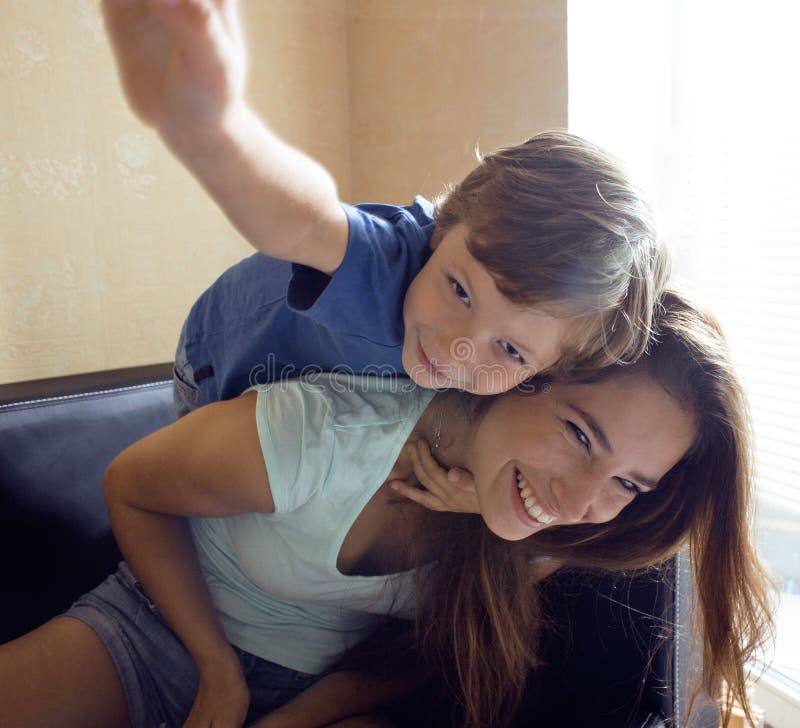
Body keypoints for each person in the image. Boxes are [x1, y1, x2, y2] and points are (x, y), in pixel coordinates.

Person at [0, 291, 773, 728]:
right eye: (578, 434)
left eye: (629, 482)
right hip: (163, 629)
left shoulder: (559, 526)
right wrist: (217, 673)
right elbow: (130, 486)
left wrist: (288, 721)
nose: (578, 499)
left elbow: (423, 651)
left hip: (320, 689)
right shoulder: (321, 432)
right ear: (522, 373)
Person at [101, 0, 670, 416]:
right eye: (461, 291)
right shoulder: (388, 263)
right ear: (443, 229)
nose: (458, 345)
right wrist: (214, 130)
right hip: (213, 365)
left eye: (512, 349)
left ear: (545, 370)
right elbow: (303, 222)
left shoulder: (522, 367)